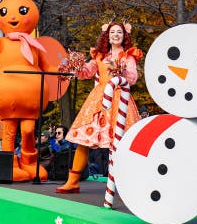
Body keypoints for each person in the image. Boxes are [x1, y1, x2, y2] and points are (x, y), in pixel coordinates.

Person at [56, 22, 142, 193]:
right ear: (107, 35)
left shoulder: (128, 55)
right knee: (84, 140)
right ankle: (73, 181)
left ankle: (132, 184)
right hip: (98, 100)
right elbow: (87, 73)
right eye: (112, 32)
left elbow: (132, 78)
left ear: (125, 36)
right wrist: (75, 67)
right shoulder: (100, 55)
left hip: (120, 98)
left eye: (119, 32)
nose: (116, 35)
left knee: (124, 142)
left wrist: (121, 71)